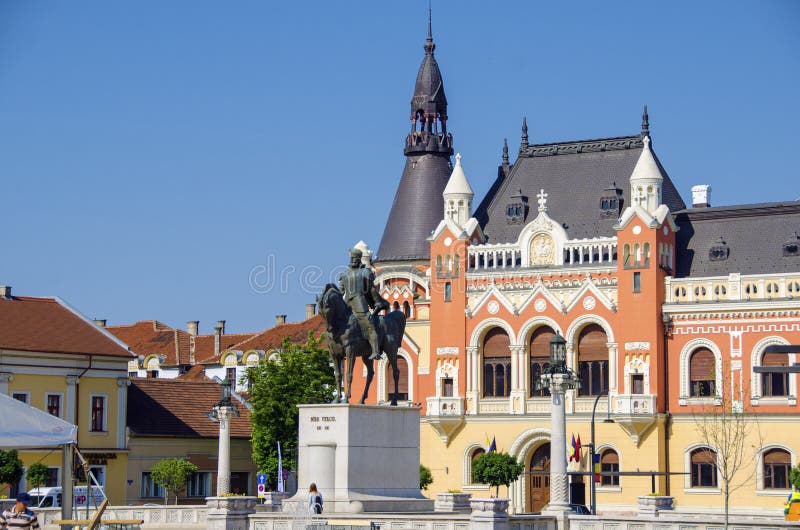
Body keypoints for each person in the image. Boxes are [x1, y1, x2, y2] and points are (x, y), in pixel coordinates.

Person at [338, 248, 389, 360]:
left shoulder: (360, 273)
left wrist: (377, 302)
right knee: (366, 325)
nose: (352, 260)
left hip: (354, 305)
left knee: (367, 325)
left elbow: (370, 290)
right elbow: (341, 292)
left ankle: (375, 351)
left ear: (358, 259)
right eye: (351, 258)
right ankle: (374, 350)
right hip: (353, 305)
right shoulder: (348, 274)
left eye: (354, 258)